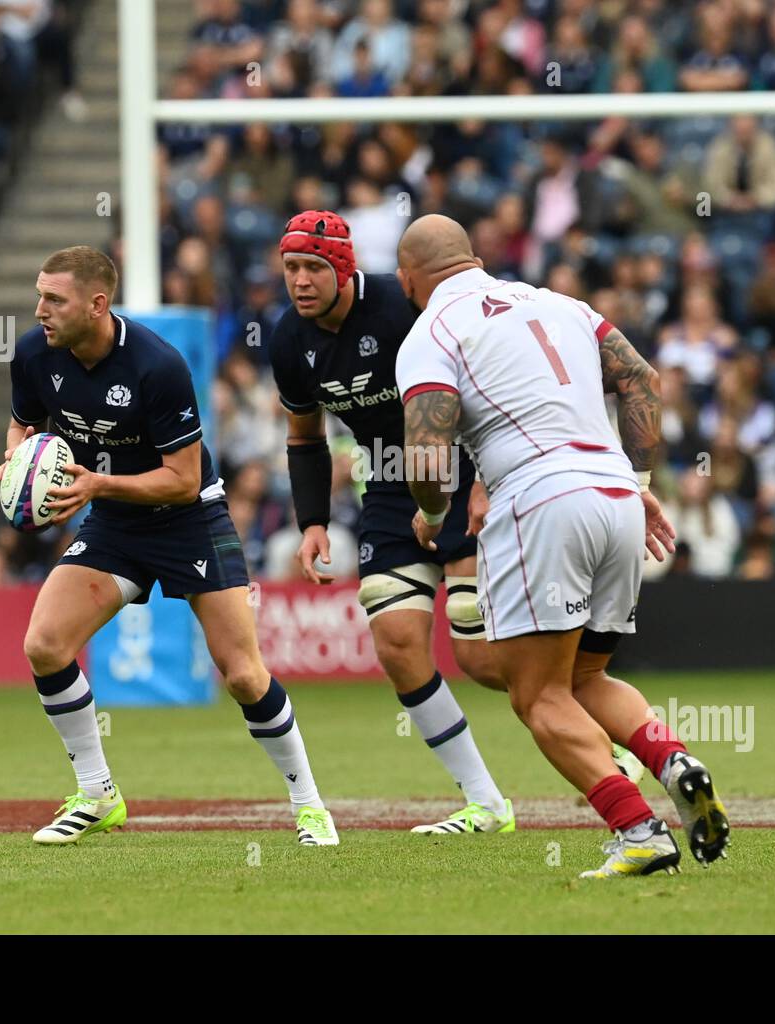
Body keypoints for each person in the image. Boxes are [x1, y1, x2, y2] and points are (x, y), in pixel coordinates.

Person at [394, 215, 731, 878]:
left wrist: (430, 515)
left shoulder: (430, 330)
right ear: (473, 257)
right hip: (614, 497)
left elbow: (428, 459)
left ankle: (638, 829)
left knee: (536, 694)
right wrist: (637, 483)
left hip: (542, 501)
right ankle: (673, 760)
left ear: (409, 277)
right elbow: (643, 380)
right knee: (585, 677)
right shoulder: (560, 303)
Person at [0, 245, 338, 846]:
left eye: (54, 299)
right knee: (45, 645)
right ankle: (97, 793)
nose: (41, 310)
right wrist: (17, 460)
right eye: (39, 295)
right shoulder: (34, 353)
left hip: (189, 520)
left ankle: (310, 806)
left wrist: (98, 483)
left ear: (97, 305)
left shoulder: (157, 365)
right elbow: (24, 421)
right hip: (114, 522)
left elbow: (183, 479)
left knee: (241, 675)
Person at [268, 210, 515, 835]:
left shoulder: (405, 307)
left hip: (462, 472)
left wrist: (487, 478)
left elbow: (487, 387)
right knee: (398, 642)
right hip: (387, 486)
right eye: (291, 268)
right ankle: (486, 803)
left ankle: (605, 716)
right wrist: (314, 521)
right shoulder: (286, 340)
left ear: (345, 268)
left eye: (313, 268)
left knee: (481, 655)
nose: (300, 281)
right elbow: (305, 436)